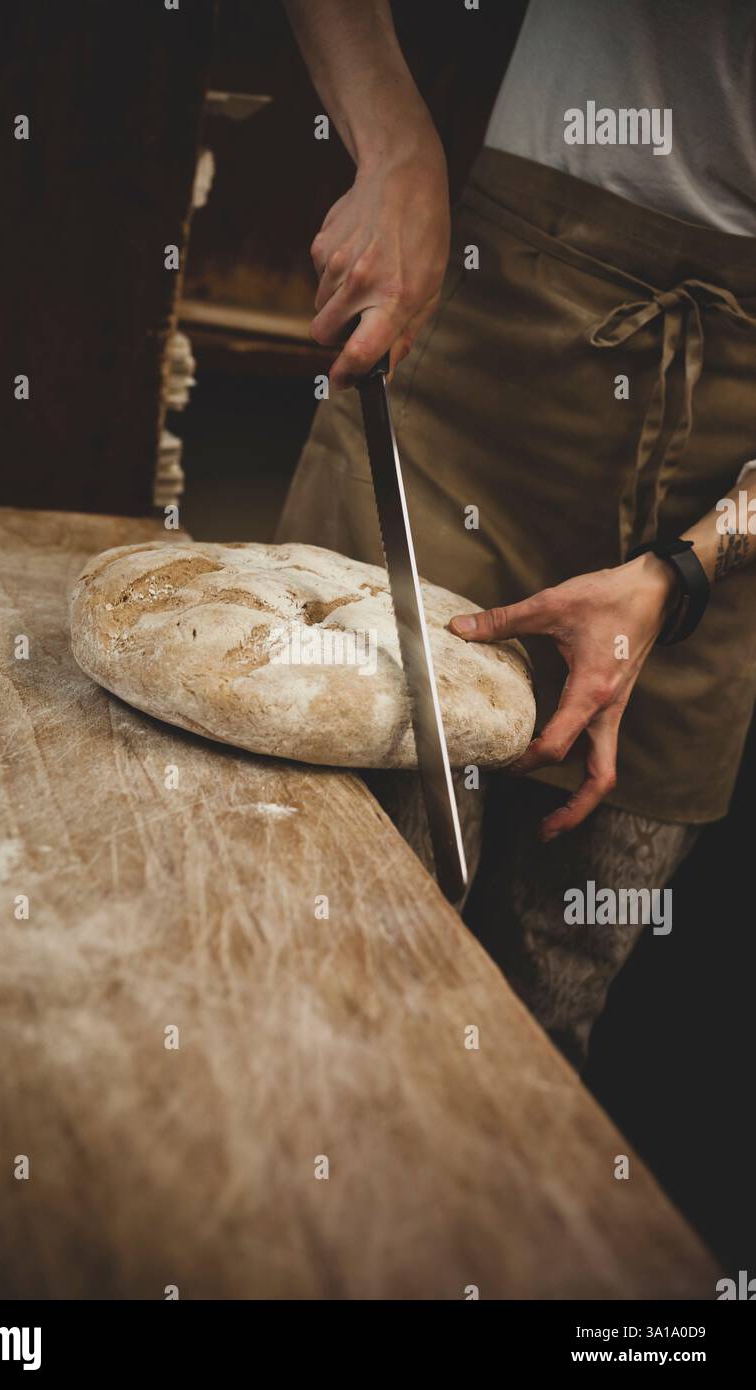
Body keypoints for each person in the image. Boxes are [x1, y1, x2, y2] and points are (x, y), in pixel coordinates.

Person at [277, 0, 756, 1068]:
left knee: (547, 1012)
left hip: (725, 516)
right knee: (342, 952)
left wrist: (678, 573)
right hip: (477, 345)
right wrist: (393, 144)